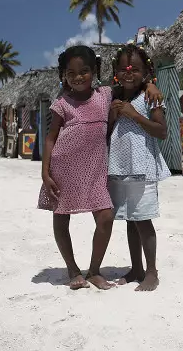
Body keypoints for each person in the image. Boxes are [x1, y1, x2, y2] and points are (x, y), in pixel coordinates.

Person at [38, 44, 163, 290]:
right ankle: (73, 270)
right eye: (71, 73)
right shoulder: (62, 102)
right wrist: (45, 172)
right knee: (61, 217)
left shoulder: (105, 94)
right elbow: (51, 137)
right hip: (64, 168)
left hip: (96, 169)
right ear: (63, 75)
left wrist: (150, 84)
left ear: (95, 71)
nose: (78, 77)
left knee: (106, 217)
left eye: (84, 71)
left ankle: (94, 270)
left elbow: (132, 84)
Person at [108, 45, 170, 291]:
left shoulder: (150, 97)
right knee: (129, 220)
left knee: (143, 220)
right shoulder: (113, 97)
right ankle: (136, 268)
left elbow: (162, 131)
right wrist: (114, 115)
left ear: (146, 72)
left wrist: (134, 115)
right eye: (123, 69)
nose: (128, 73)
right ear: (115, 72)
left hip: (143, 168)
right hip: (119, 167)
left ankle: (152, 271)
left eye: (135, 69)